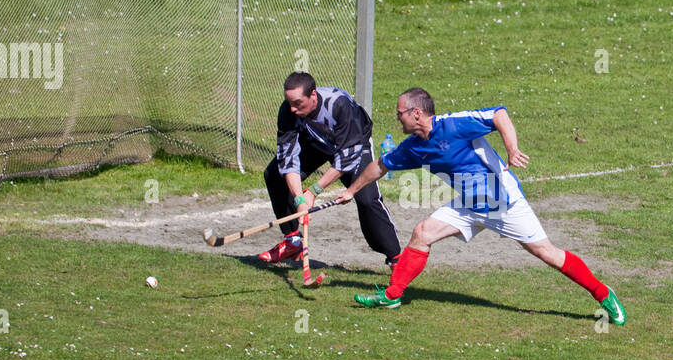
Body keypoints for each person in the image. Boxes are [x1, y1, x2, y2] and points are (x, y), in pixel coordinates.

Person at [333, 88, 626, 324]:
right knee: (422, 232)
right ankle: (393, 294)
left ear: (417, 113)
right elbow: (381, 165)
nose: (397, 120)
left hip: (501, 200)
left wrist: (511, 149)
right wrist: (352, 190)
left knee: (546, 253)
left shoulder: (454, 125)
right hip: (468, 205)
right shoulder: (413, 146)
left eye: (400, 115)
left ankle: (604, 294)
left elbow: (499, 114)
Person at [261, 72, 401, 267]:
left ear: (313, 96)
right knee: (275, 174)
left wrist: (314, 191)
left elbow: (346, 158)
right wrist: (300, 198)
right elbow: (288, 159)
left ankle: (395, 258)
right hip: (316, 143)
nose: (292, 109)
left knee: (367, 199)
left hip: (353, 146)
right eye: (289, 103)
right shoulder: (288, 111)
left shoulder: (339, 104)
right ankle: (292, 241)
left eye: (298, 103)